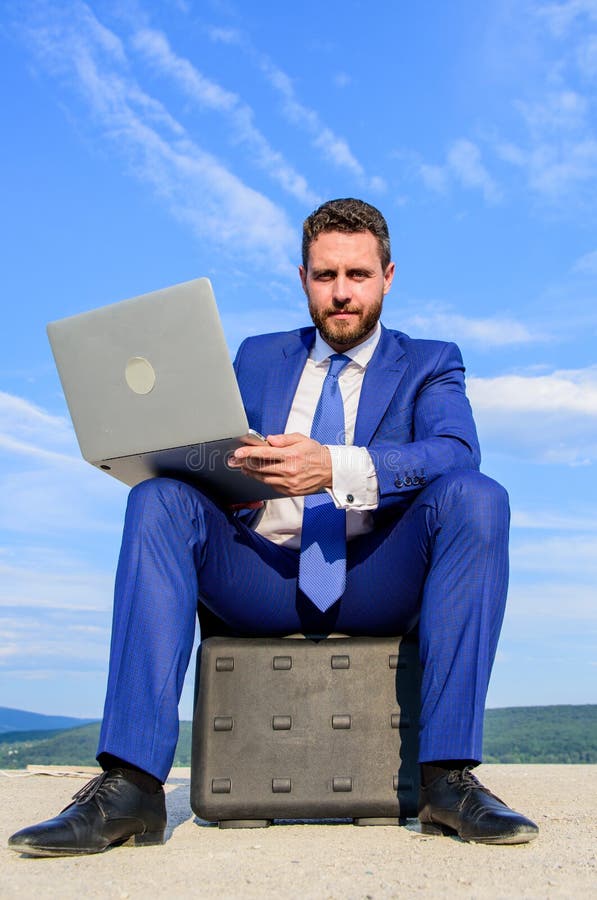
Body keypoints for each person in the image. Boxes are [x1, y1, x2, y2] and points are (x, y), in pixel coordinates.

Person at [9, 198, 538, 856]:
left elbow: (454, 451)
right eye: (324, 276)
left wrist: (332, 466)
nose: (341, 293)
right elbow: (203, 454)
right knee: (158, 498)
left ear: (388, 276)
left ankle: (446, 782)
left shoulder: (430, 361)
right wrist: (183, 462)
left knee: (476, 496)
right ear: (302, 278)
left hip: (377, 576)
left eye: (357, 275)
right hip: (258, 574)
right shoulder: (258, 357)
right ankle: (131, 788)